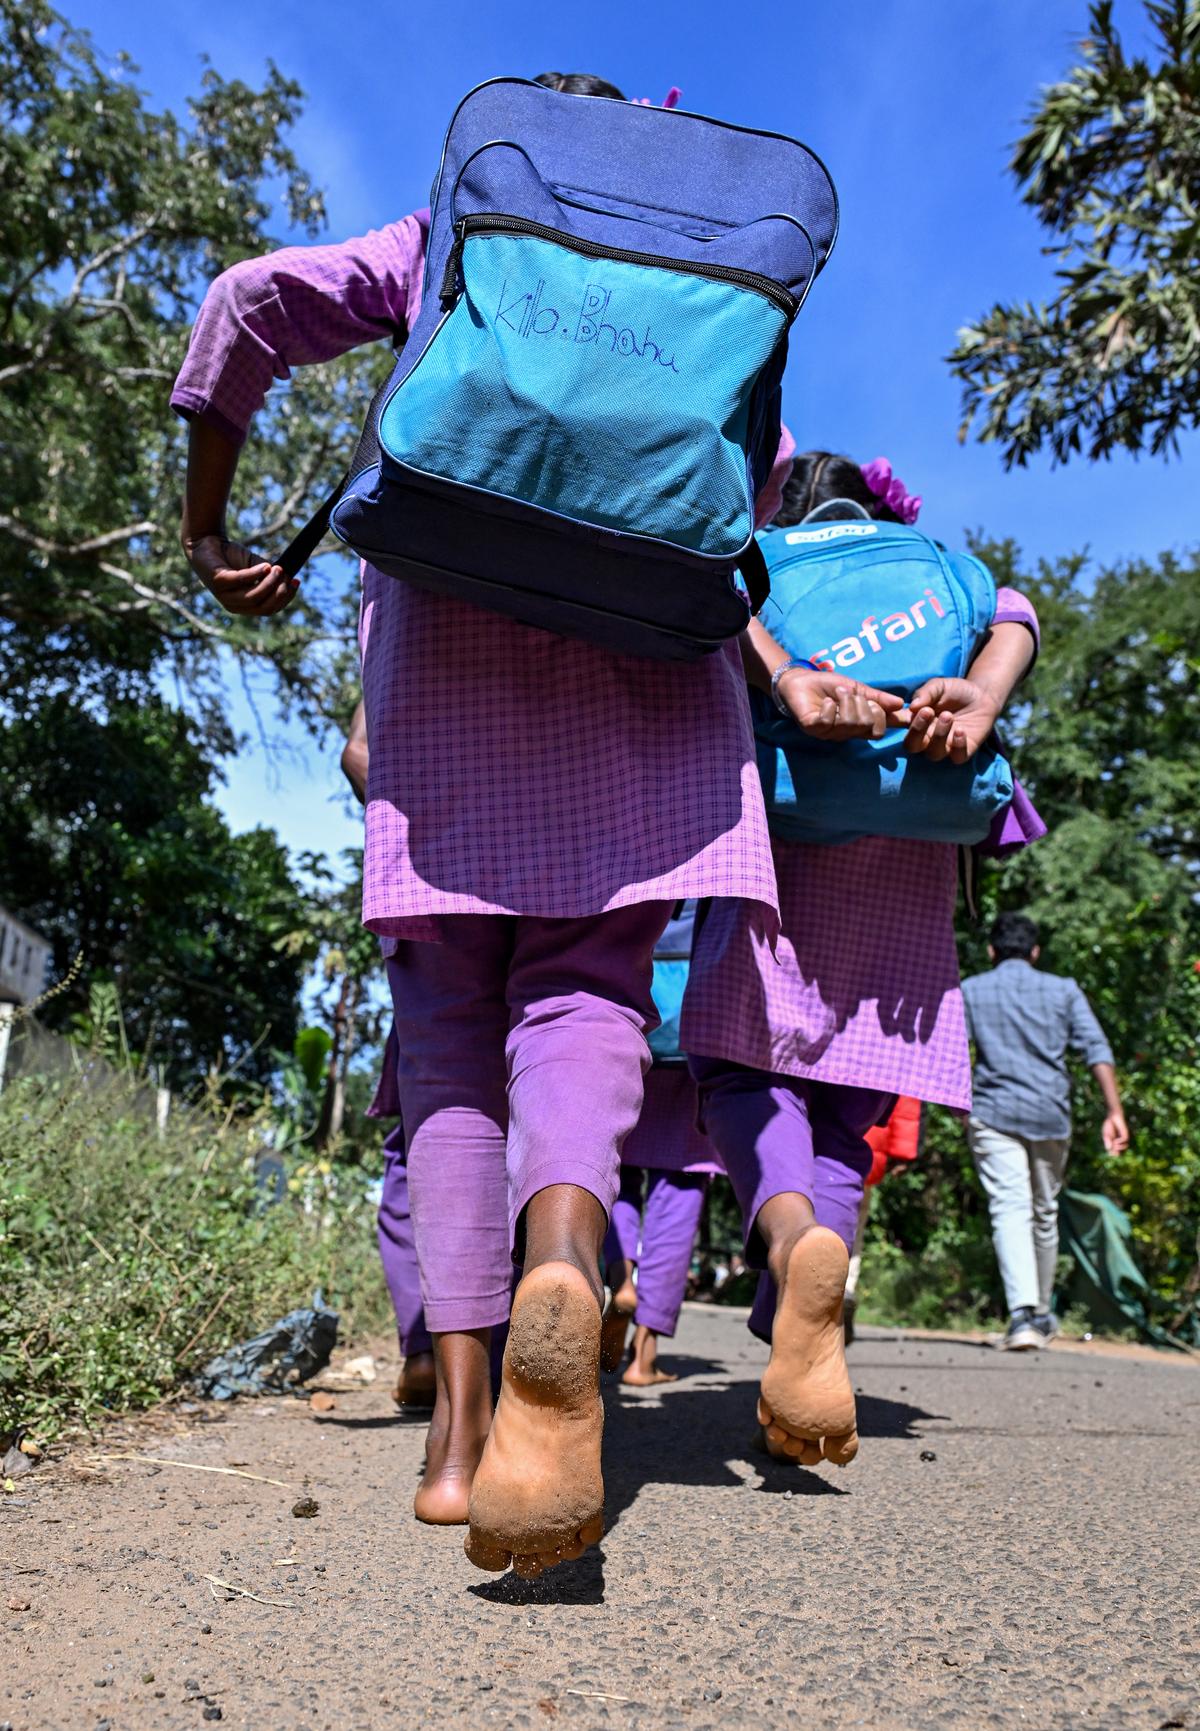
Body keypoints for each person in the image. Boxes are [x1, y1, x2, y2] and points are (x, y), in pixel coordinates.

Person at [173, 72, 866, 1578]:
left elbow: (247, 302)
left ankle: (459, 1428)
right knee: (585, 996)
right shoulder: (702, 282)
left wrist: (211, 518)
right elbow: (730, 495)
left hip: (449, 663)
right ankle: (571, 1254)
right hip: (649, 665)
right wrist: (785, 672)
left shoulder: (450, 234)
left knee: (447, 1038)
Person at [683, 450, 1043, 1467]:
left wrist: (790, 674)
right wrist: (975, 698)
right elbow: (1016, 610)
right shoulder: (937, 562)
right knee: (847, 1110)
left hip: (785, 846)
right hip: (911, 860)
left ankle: (795, 1245)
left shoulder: (759, 559)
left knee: (739, 1070)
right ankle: (810, 1326)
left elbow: (706, 607)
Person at [962, 911, 1129, 1350]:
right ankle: (1037, 1313)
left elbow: (953, 1055)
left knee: (1010, 1206)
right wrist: (1115, 1111)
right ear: (1035, 952)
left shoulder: (972, 990)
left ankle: (1024, 1316)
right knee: (1043, 1210)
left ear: (992, 951)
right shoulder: (1064, 990)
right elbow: (1097, 1048)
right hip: (1050, 1113)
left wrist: (958, 1109)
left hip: (992, 1112)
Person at [601, 904, 721, 1387]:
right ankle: (644, 1356)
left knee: (618, 1171)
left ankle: (620, 1280)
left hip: (630, 1007)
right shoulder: (718, 831)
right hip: (696, 1021)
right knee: (684, 1178)